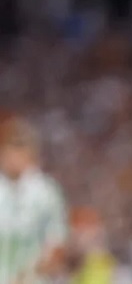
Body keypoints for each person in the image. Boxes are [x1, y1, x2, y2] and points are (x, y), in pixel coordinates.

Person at [0, 116, 68, 284]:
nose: (12, 157)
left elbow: (57, 242)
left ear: (30, 153)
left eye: (19, 148)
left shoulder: (46, 192)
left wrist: (30, 275)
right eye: (8, 149)